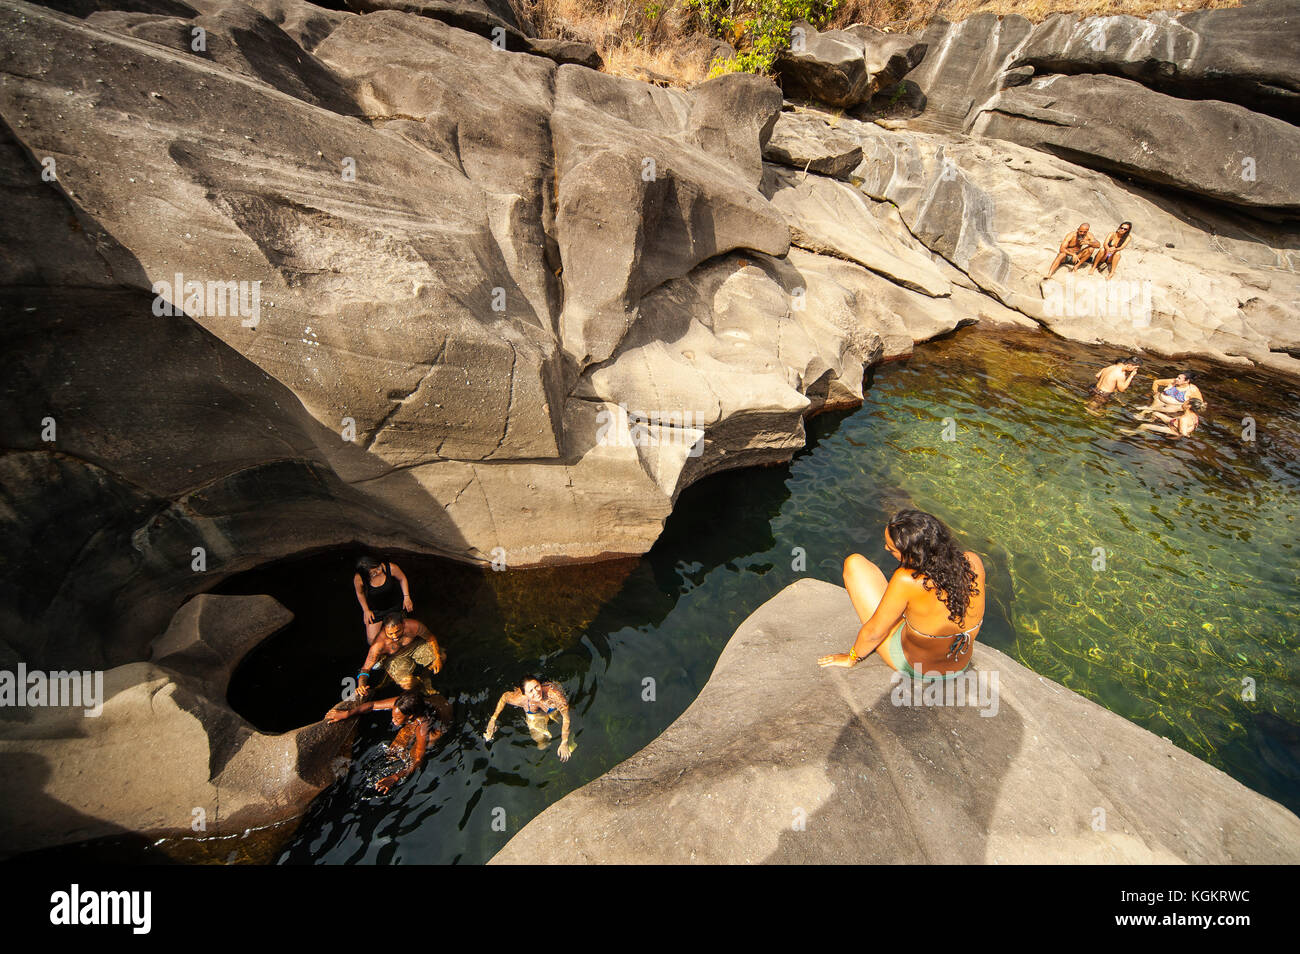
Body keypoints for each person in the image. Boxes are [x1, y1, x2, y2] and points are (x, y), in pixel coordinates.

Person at [818, 510, 985, 679]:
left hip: (918, 668)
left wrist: (851, 658)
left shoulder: (907, 581)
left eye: (891, 549)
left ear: (913, 555)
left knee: (854, 564)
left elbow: (874, 632)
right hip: (959, 663)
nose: (885, 548)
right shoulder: (972, 561)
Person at [324, 691, 452, 793]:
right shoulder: (402, 703)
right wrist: (347, 714)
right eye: (392, 715)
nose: (393, 720)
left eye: (397, 718)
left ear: (411, 717)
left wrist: (396, 777)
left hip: (438, 723)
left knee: (418, 750)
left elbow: (418, 760)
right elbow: (372, 705)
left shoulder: (423, 726)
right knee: (393, 751)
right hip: (427, 706)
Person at [355, 611, 445, 701]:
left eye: (397, 631)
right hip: (395, 657)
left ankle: (424, 677)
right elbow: (365, 669)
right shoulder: (379, 645)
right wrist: (361, 685)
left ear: (403, 624)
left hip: (414, 646)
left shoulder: (414, 626)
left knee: (442, 656)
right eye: (390, 634)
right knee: (407, 683)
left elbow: (430, 638)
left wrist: (437, 657)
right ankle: (421, 689)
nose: (394, 636)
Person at [484, 677, 575, 761]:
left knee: (562, 720)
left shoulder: (553, 694)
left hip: (553, 708)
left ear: (540, 684)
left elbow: (566, 717)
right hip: (534, 711)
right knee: (541, 742)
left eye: (537, 687)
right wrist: (493, 719)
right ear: (525, 694)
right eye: (531, 691)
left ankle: (569, 737)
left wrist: (564, 741)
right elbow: (505, 697)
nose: (536, 692)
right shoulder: (520, 699)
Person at [353, 556, 413, 644]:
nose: (378, 572)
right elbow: (360, 593)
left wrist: (407, 597)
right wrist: (366, 610)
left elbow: (402, 579)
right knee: (372, 641)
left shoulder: (390, 568)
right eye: (373, 573)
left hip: (394, 606)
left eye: (378, 568)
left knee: (402, 634)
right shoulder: (359, 578)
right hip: (376, 610)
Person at [1137, 371, 1207, 416]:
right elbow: (1156, 382)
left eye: (1179, 378)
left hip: (1173, 407)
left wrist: (1185, 409)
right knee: (1144, 412)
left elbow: (1199, 403)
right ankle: (1144, 412)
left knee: (1154, 415)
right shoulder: (1173, 381)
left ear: (1187, 381)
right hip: (1159, 400)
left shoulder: (1193, 389)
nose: (1176, 379)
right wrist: (1155, 393)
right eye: (1177, 377)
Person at [1123, 399, 1200, 439]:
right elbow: (1194, 425)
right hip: (1173, 422)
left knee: (1144, 426)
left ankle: (1131, 433)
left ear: (1188, 406)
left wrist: (1176, 437)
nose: (1183, 403)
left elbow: (1183, 433)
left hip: (1172, 429)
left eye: (1185, 402)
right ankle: (1150, 421)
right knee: (1155, 413)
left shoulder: (1184, 418)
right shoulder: (1194, 415)